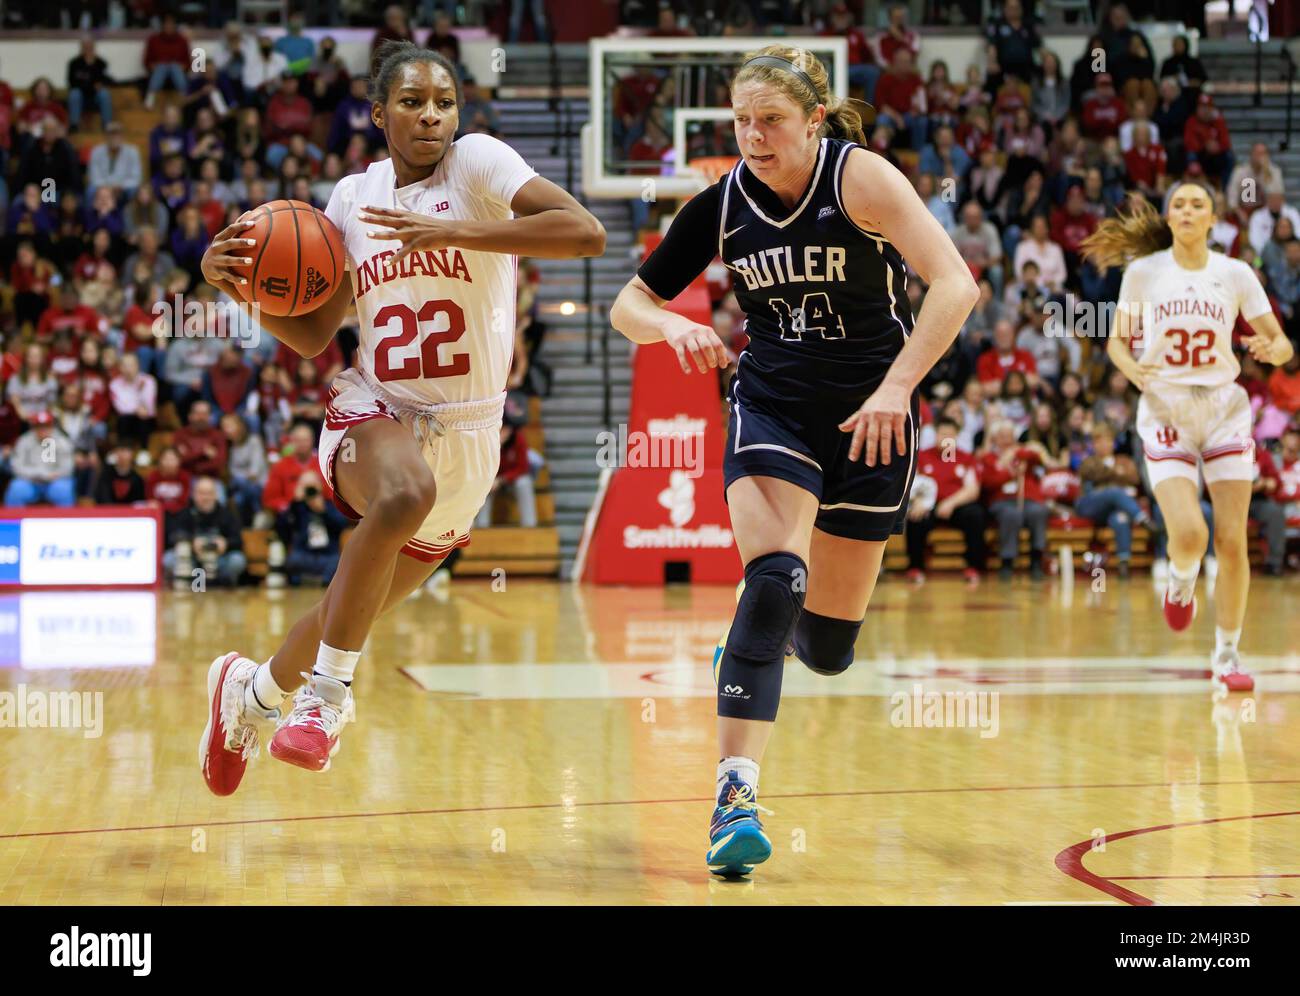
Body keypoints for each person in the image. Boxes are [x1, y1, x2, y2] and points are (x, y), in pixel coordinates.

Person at [197, 40, 604, 797]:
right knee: (401, 495)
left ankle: (250, 695)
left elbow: (585, 233)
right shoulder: (351, 199)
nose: (432, 116)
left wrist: (459, 233)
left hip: (472, 439)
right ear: (380, 114)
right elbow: (317, 334)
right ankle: (326, 704)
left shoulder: (480, 164)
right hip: (376, 409)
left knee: (342, 610)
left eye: (444, 102)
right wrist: (238, 291)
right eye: (413, 103)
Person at [610, 44, 978, 877]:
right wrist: (672, 325)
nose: (752, 135)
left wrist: (896, 389)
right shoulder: (720, 203)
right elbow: (628, 302)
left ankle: (759, 640)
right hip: (771, 404)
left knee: (829, 649)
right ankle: (734, 797)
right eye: (740, 120)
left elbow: (955, 284)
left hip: (871, 417)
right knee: (775, 579)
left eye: (770, 120)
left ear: (814, 119)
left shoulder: (862, 179)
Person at [1084, 181, 1295, 691]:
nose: (1186, 210)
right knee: (1191, 536)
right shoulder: (1143, 272)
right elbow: (1115, 343)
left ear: (1212, 219)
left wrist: (1273, 351)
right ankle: (1180, 585)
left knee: (1230, 539)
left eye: (1197, 204)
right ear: (1170, 216)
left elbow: (1282, 343)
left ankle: (1227, 656)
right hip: (1166, 407)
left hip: (1224, 408)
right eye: (1178, 203)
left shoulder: (1236, 272)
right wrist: (1135, 372)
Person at [905, 415, 987, 584]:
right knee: (915, 517)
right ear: (935, 435)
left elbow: (972, 489)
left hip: (956, 506)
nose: (946, 438)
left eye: (950, 434)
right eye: (942, 434)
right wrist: (918, 500)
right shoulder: (921, 456)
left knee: (976, 515)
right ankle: (915, 567)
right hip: (929, 504)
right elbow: (913, 484)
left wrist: (951, 503)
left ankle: (973, 567)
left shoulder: (966, 458)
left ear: (956, 437)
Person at [164, 476, 246, 586]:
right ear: (194, 495)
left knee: (237, 560)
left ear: (215, 495)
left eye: (209, 493)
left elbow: (238, 540)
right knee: (169, 559)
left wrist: (225, 543)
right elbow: (173, 536)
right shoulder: (185, 513)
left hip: (218, 561)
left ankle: (222, 584)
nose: (206, 497)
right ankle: (193, 583)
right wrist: (191, 542)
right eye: (201, 493)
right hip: (192, 562)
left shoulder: (227, 514)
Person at [4, 411, 74, 506]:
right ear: (33, 427)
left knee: (63, 490)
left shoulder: (62, 441)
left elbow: (68, 467)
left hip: (55, 481)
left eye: (46, 426)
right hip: (29, 481)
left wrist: (54, 475)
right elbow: (16, 466)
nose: (42, 429)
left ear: (52, 426)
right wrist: (38, 474)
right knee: (16, 489)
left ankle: (65, 520)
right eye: (39, 426)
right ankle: (13, 520)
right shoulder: (24, 440)